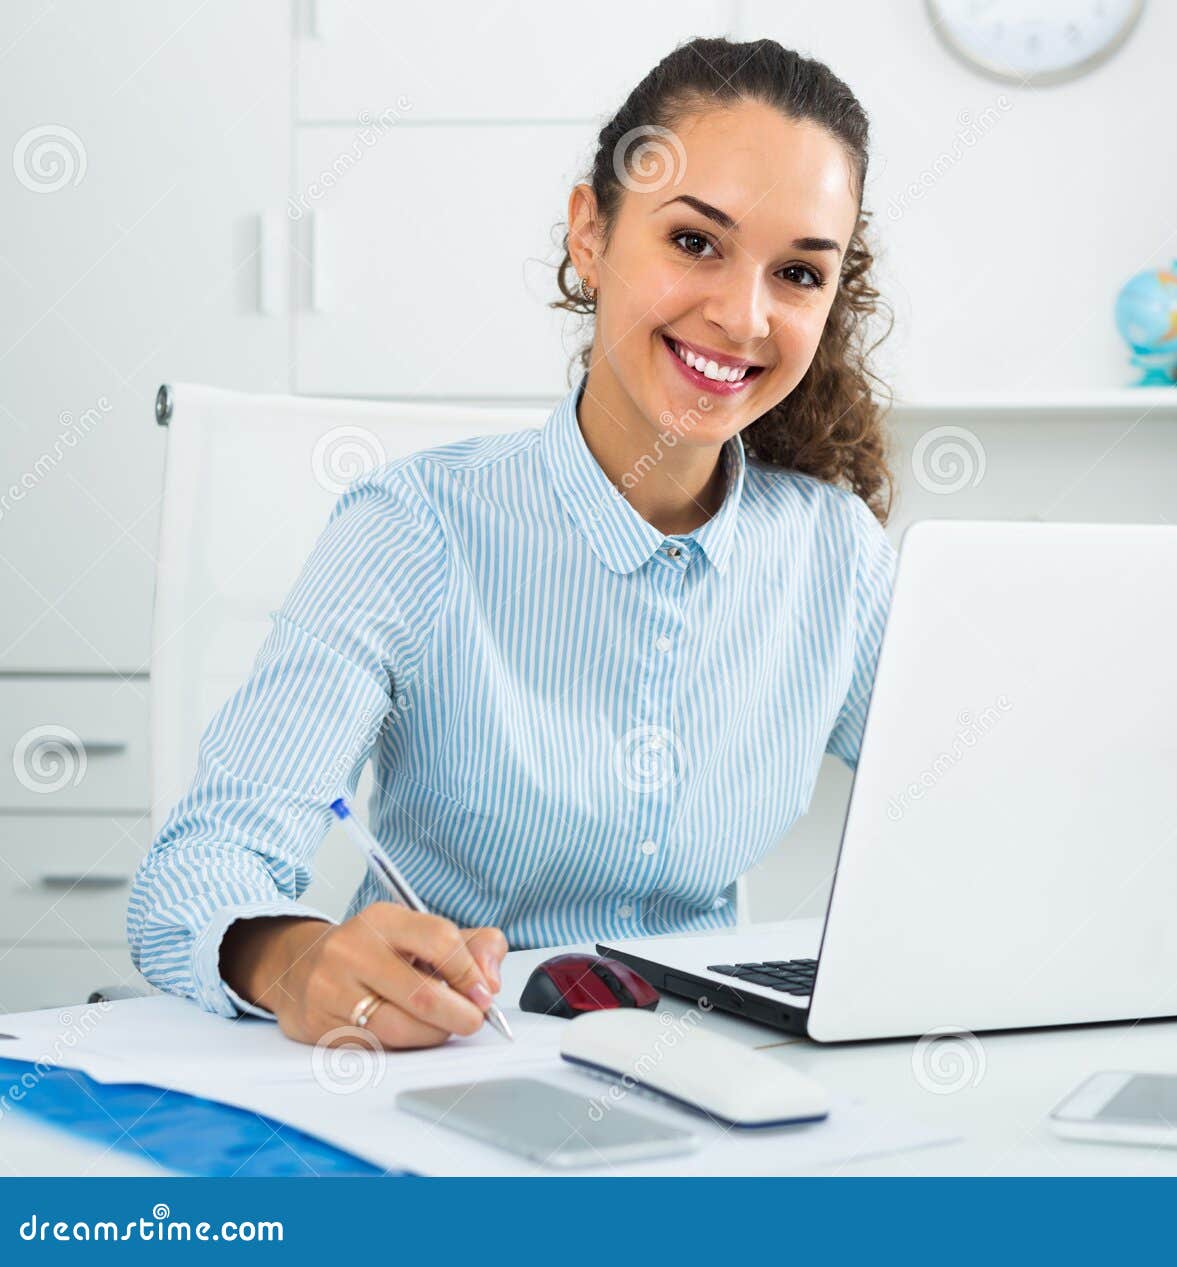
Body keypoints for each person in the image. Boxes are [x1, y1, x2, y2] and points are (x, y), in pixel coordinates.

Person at [126, 36, 898, 1049]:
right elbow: (196, 869)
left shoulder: (832, 554)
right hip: (446, 1060)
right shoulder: (411, 531)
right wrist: (296, 958)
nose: (741, 315)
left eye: (797, 272)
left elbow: (994, 797)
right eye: (695, 242)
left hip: (720, 1074)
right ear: (591, 232)